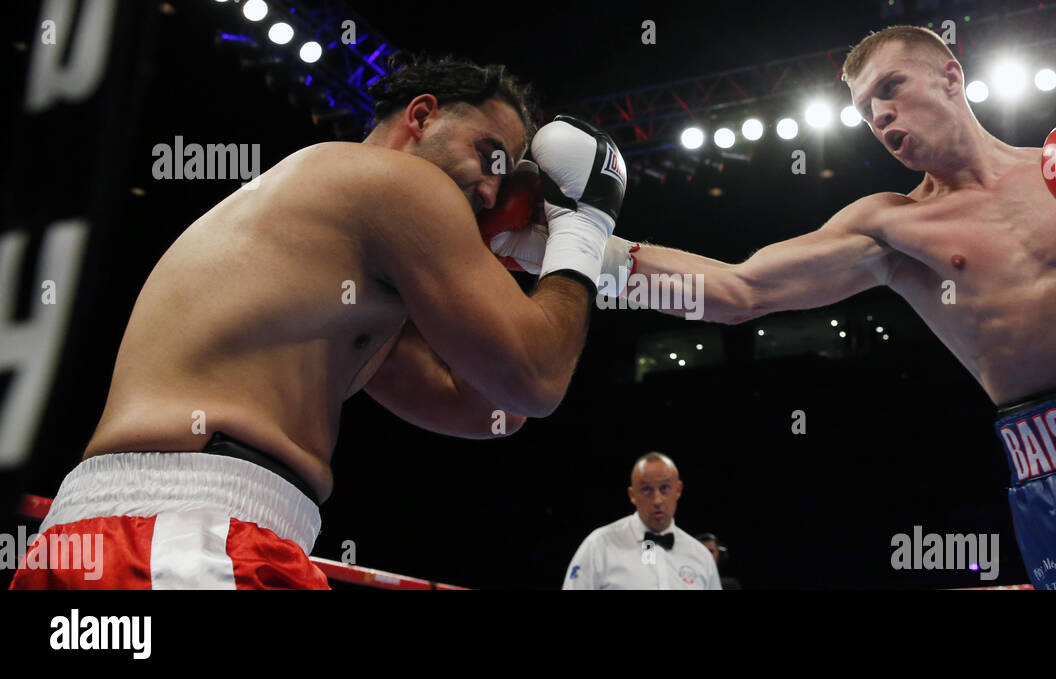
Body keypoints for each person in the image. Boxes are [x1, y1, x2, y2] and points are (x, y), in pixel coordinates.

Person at [497, 27, 1056, 590]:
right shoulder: (891, 228)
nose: (880, 119)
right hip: (1049, 484)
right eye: (867, 111)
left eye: (890, 91)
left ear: (950, 75)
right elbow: (739, 293)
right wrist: (555, 250)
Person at [11, 53, 630, 589]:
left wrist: (501, 263)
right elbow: (536, 380)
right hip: (190, 536)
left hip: (98, 538)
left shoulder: (325, 267)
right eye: (490, 156)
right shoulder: (398, 182)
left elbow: (493, 405)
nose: (491, 193)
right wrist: (583, 227)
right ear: (422, 115)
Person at [563, 453, 720, 590]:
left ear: (678, 490)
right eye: (646, 490)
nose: (657, 500)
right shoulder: (599, 545)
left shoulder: (700, 555)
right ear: (632, 494)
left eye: (664, 488)